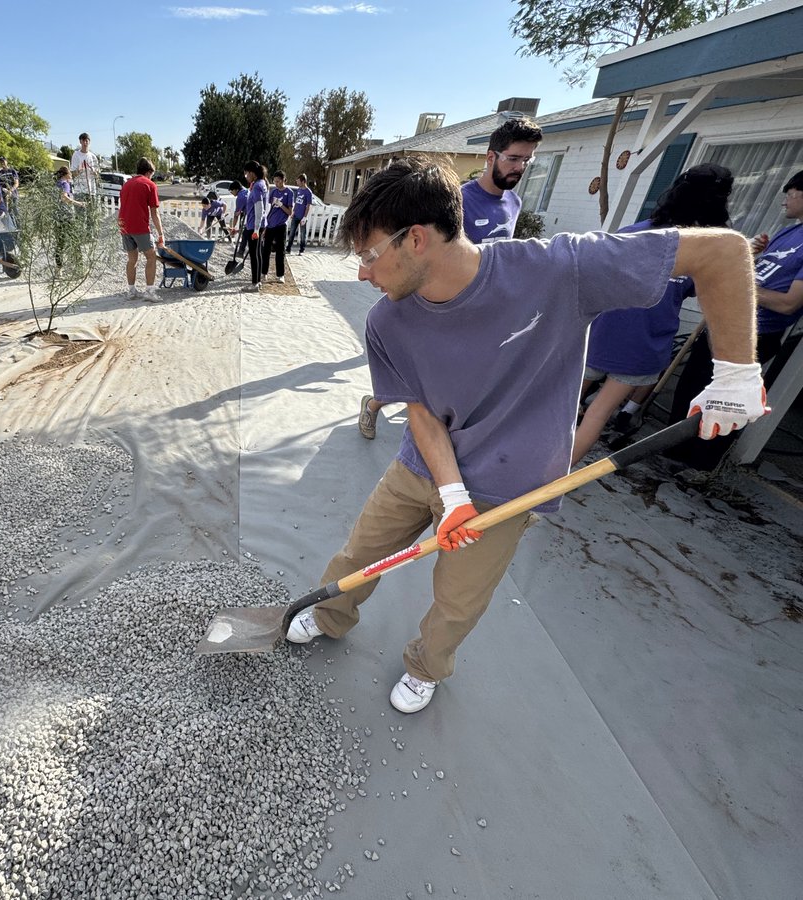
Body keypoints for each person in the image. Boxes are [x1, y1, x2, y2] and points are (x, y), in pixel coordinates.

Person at [286, 157, 766, 716]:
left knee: (459, 600)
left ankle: (425, 668)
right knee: (361, 552)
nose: (363, 274)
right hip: (421, 467)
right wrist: (451, 495)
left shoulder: (559, 270)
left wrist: (737, 373)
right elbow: (420, 412)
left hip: (508, 484)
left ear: (415, 239)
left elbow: (724, 251)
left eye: (368, 255)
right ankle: (328, 614)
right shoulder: (388, 322)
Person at [359, 116, 544, 439]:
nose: (520, 167)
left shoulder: (513, 203)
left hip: (479, 308)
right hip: (435, 306)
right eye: (513, 158)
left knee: (449, 386)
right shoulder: (458, 200)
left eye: (527, 159)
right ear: (491, 157)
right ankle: (374, 403)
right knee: (415, 379)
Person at [571, 164, 734, 464]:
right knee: (599, 413)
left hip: (602, 334)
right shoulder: (708, 252)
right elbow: (690, 291)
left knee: (565, 403)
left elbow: (598, 274)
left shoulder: (634, 234)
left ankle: (530, 464)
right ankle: (554, 481)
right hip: (644, 346)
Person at [667, 169, 803, 470]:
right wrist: (751, 255)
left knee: (722, 402)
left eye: (791, 192)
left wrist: (739, 287)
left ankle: (697, 467)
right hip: (722, 321)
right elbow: (763, 276)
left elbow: (788, 303)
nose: (785, 199)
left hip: (752, 336)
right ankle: (671, 453)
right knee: (691, 388)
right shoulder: (787, 232)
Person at [117, 156, 165, 300]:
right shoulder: (149, 185)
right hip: (139, 226)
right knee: (151, 256)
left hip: (124, 225)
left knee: (132, 259)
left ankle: (131, 291)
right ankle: (150, 292)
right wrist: (161, 234)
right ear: (149, 171)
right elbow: (154, 213)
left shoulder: (126, 184)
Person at [240, 161, 269, 293]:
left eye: (246, 173)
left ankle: (255, 284)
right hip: (258, 224)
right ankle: (257, 281)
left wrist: (256, 229)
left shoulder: (257, 186)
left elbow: (260, 208)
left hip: (255, 226)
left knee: (254, 254)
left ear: (252, 173)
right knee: (257, 253)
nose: (245, 176)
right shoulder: (260, 183)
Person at [262, 171, 294, 284]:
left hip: (281, 225)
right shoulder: (274, 191)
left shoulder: (289, 193)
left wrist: (281, 205)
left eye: (278, 181)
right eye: (274, 181)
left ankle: (280, 275)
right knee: (266, 250)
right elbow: (268, 205)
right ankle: (263, 273)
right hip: (270, 224)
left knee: (280, 251)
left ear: (283, 180)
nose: (276, 183)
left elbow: (290, 212)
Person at [286, 173, 314, 255]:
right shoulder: (299, 190)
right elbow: (297, 202)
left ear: (303, 181)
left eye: (298, 181)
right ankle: (288, 249)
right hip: (295, 216)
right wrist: (293, 212)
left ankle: (302, 250)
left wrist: (305, 217)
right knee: (291, 233)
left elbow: (308, 205)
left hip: (302, 217)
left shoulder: (308, 192)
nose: (297, 182)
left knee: (302, 234)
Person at [70, 132, 98, 200]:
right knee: (80, 210)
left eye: (87, 141)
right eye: (83, 141)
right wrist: (79, 170)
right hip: (79, 191)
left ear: (89, 142)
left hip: (91, 191)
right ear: (80, 142)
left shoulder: (93, 157)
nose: (85, 143)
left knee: (91, 210)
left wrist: (95, 173)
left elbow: (97, 175)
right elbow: (72, 174)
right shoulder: (76, 155)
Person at [228, 181, 250, 258]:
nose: (231, 193)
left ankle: (241, 252)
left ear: (236, 190)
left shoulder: (240, 197)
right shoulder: (245, 190)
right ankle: (242, 252)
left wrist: (233, 227)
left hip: (250, 215)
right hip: (250, 214)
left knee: (246, 233)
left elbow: (236, 214)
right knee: (246, 233)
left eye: (231, 191)